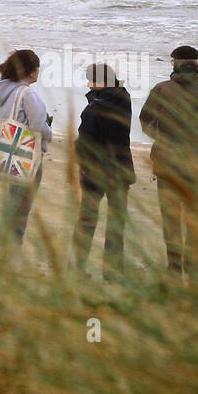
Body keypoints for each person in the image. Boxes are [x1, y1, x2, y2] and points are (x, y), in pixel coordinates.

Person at [139, 45, 198, 279]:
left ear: (174, 64)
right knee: (196, 217)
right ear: (197, 65)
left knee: (171, 217)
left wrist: (163, 137)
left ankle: (174, 266)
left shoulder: (161, 90)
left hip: (168, 163)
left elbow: (145, 122)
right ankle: (194, 266)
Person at [70, 64, 136, 280]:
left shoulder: (93, 110)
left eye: (91, 80)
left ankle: (77, 267)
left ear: (101, 82)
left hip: (95, 171)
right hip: (120, 168)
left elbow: (85, 142)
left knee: (87, 219)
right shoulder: (124, 99)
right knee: (117, 222)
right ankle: (112, 271)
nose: (88, 84)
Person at [0, 49, 52, 242]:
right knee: (21, 208)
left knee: (11, 203)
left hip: (8, 149)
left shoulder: (6, 91)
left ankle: (3, 248)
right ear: (32, 71)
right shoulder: (27, 94)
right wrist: (48, 134)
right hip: (26, 155)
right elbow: (38, 127)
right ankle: (11, 254)